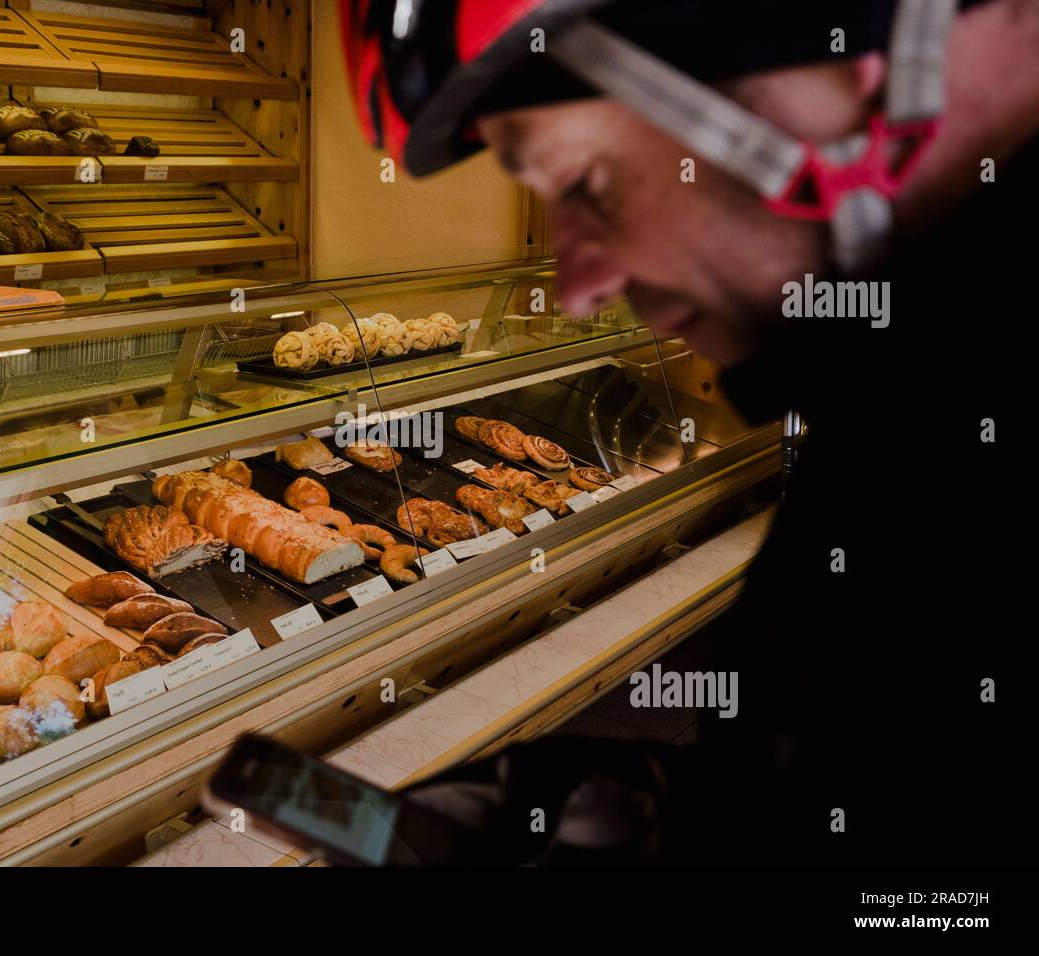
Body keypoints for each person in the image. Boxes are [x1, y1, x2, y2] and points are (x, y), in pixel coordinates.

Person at [339, 0, 1034, 864]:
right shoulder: (900, 423)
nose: (581, 283)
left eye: (585, 182)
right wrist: (640, 812)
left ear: (845, 76)